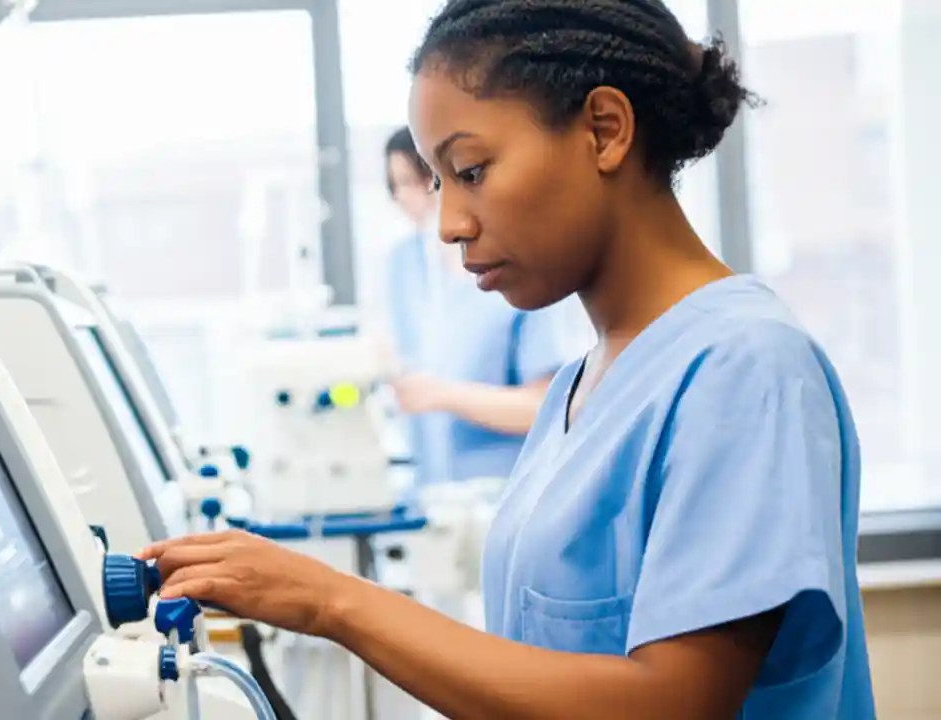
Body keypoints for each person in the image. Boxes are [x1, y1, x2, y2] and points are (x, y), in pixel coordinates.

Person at [142, 1, 875, 717]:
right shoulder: (579, 387)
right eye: (437, 182)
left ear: (605, 130)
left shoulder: (745, 367)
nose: (451, 225)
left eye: (471, 170)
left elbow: (669, 703)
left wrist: (332, 601)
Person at [383, 126, 585, 485]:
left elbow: (548, 407)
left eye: (415, 182)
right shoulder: (405, 265)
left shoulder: (522, 265)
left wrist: (443, 395)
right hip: (434, 494)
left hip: (506, 489)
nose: (405, 197)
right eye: (395, 186)